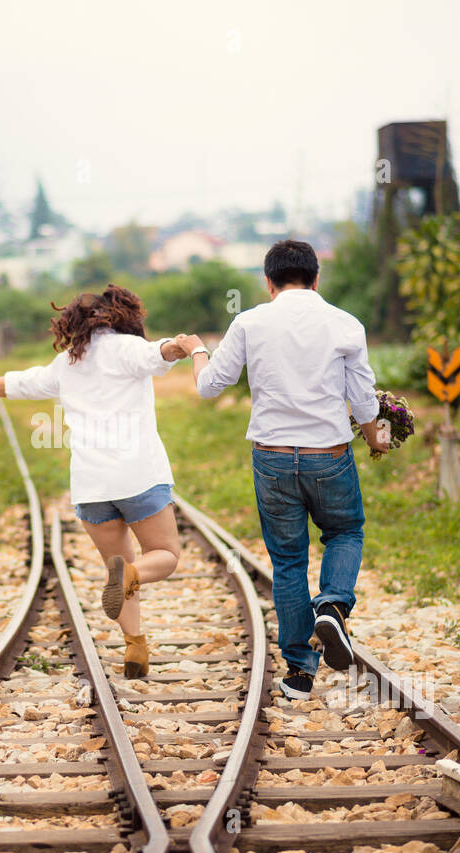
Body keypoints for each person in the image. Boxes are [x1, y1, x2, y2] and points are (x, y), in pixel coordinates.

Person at [176, 240, 388, 701]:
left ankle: (299, 673)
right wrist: (376, 438)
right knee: (346, 532)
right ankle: (332, 604)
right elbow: (365, 400)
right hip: (329, 456)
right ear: (316, 279)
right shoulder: (346, 324)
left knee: (288, 561)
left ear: (269, 283)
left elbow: (210, 386)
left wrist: (196, 350)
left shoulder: (249, 321)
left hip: (272, 457)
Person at [0, 284, 191, 678]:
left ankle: (135, 650)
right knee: (163, 556)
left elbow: (20, 383)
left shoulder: (68, 363)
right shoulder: (127, 348)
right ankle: (131, 577)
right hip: (139, 476)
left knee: (118, 566)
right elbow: (158, 352)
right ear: (127, 317)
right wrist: (182, 346)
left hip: (92, 489)